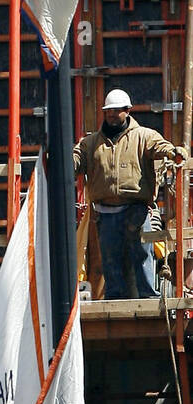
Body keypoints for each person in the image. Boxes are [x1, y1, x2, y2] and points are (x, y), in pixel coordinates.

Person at [73, 87, 188, 300]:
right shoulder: (90, 144)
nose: (111, 114)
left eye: (116, 111)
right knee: (110, 258)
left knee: (143, 253)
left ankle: (148, 297)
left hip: (136, 209)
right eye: (108, 111)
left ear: (127, 111)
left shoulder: (144, 136)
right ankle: (114, 298)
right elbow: (76, 160)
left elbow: (159, 146)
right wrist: (61, 162)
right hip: (105, 211)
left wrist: (173, 151)